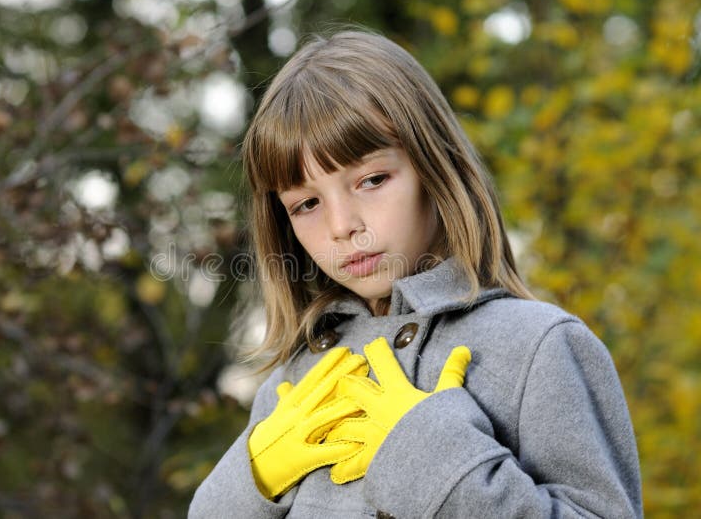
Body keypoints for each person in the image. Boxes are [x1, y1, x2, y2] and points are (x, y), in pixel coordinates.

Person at [189, 29, 642, 518]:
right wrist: (249, 483)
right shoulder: (296, 377)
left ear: (434, 165)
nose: (343, 226)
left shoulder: (539, 347)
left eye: (372, 180)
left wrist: (431, 453)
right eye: (306, 204)